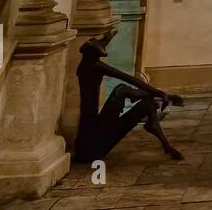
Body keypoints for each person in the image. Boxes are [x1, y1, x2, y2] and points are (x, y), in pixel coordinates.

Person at [73, 34, 185, 162]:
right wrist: (162, 94)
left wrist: (161, 94)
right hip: (91, 146)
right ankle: (158, 132)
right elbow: (129, 79)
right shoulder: (93, 66)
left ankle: (160, 135)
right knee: (124, 90)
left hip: (88, 142)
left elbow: (129, 79)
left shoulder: (87, 64)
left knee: (143, 100)